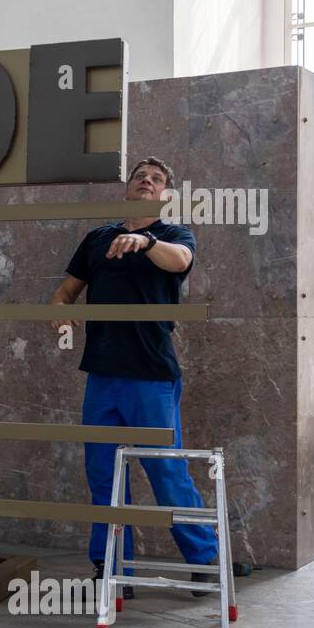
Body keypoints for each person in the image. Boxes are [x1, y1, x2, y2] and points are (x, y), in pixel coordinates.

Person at [47, 156, 218, 598]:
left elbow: (180, 262)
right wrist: (60, 313)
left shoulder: (174, 235)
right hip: (102, 374)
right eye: (139, 176)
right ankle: (109, 565)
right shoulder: (97, 238)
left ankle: (205, 560)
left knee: (167, 472)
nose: (146, 181)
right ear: (127, 189)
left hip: (150, 374)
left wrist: (143, 243)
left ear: (166, 196)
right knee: (103, 475)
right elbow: (65, 292)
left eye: (156, 179)